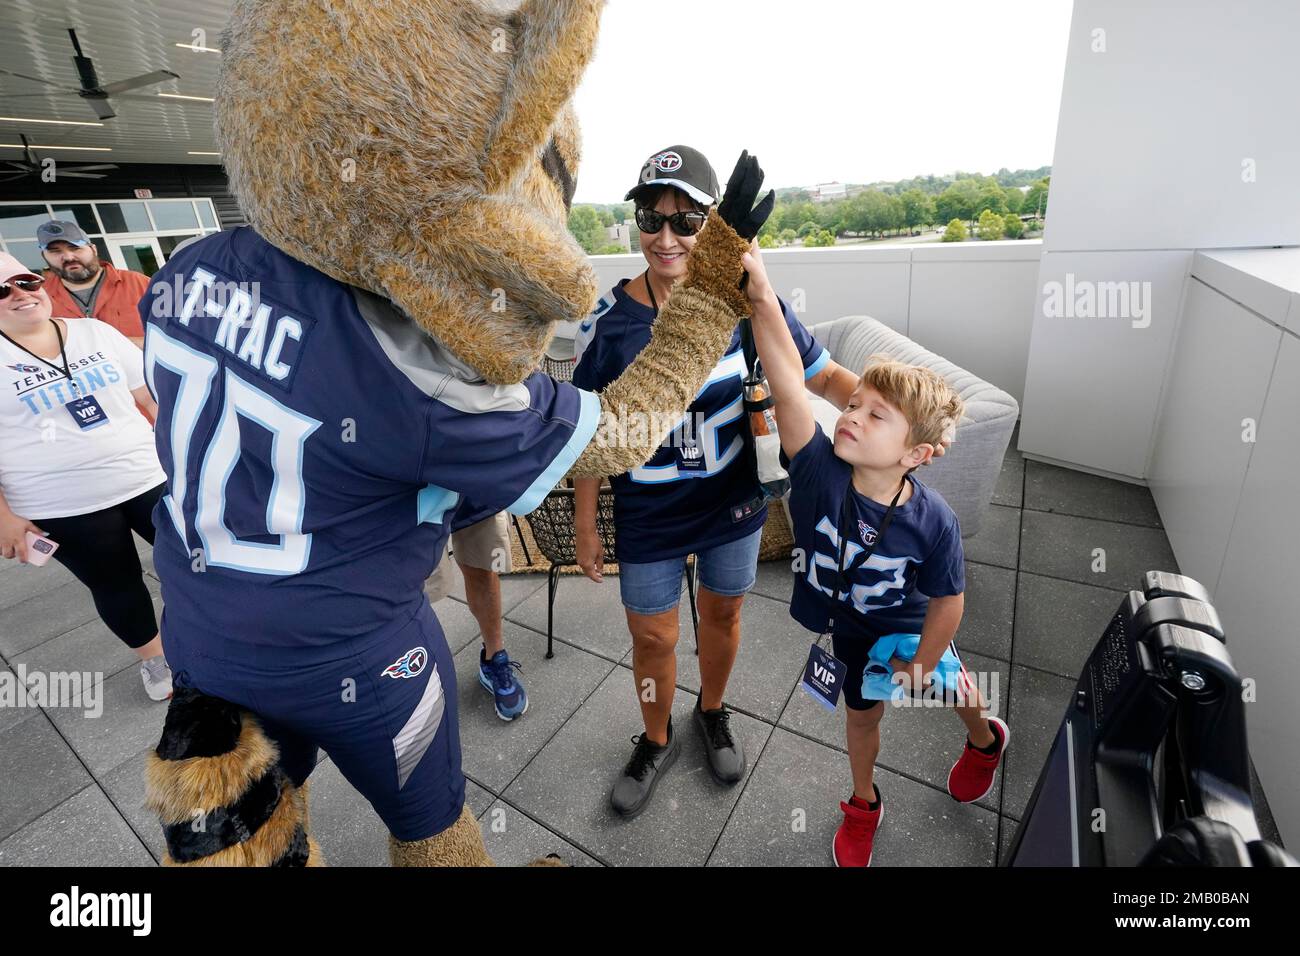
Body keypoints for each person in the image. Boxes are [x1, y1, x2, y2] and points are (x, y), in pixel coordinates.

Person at [571, 145, 862, 818]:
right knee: (652, 638)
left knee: (723, 613)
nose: (666, 237)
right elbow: (590, 437)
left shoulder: (746, 305)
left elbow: (821, 375)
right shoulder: (608, 324)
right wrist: (587, 526)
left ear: (716, 227)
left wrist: (893, 416)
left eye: (687, 220)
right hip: (648, 514)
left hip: (733, 504)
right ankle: (654, 736)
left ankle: (712, 710)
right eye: (651, 217)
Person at [743, 241, 1010, 867]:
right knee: (861, 719)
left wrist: (923, 661)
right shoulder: (814, 471)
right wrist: (760, 293)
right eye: (853, 404)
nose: (852, 417)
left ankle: (984, 738)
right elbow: (786, 378)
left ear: (916, 452)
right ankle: (864, 803)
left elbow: (948, 599)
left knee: (953, 687)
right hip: (853, 628)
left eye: (877, 415)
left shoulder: (932, 522)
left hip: (913, 625)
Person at [0, 252, 172, 700]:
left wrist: (186, 461)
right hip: (60, 502)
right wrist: (4, 517)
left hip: (145, 475)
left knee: (198, 559)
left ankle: (225, 633)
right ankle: (155, 660)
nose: (20, 294)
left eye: (25, 282)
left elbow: (150, 400)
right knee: (116, 582)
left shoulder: (94, 331)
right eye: (3, 290)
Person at [426, 508, 528, 720]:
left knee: (483, 564)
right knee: (416, 586)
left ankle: (494, 659)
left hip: (473, 481)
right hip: (404, 487)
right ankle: (417, 673)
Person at [37, 220, 150, 346]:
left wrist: (118, 345)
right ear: (44, 256)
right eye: (55, 251)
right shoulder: (38, 299)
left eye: (75, 248)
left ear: (93, 249)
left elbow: (173, 333)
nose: (68, 257)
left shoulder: (140, 284)